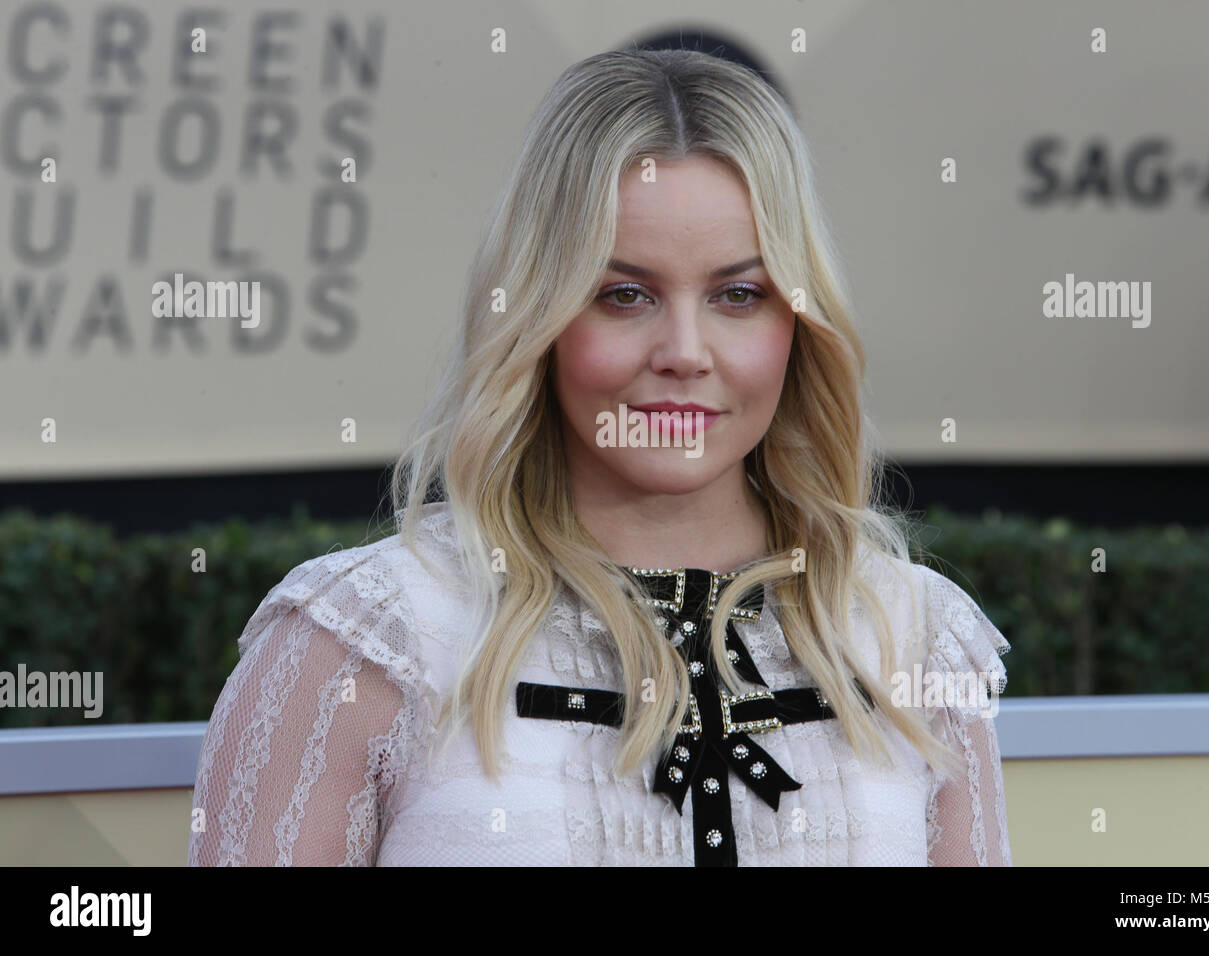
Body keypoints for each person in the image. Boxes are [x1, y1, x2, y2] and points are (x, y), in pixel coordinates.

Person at [188, 47, 1012, 867]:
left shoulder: (918, 639)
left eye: (738, 294)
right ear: (538, 316)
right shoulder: (368, 639)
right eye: (624, 295)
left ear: (798, 324)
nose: (684, 353)